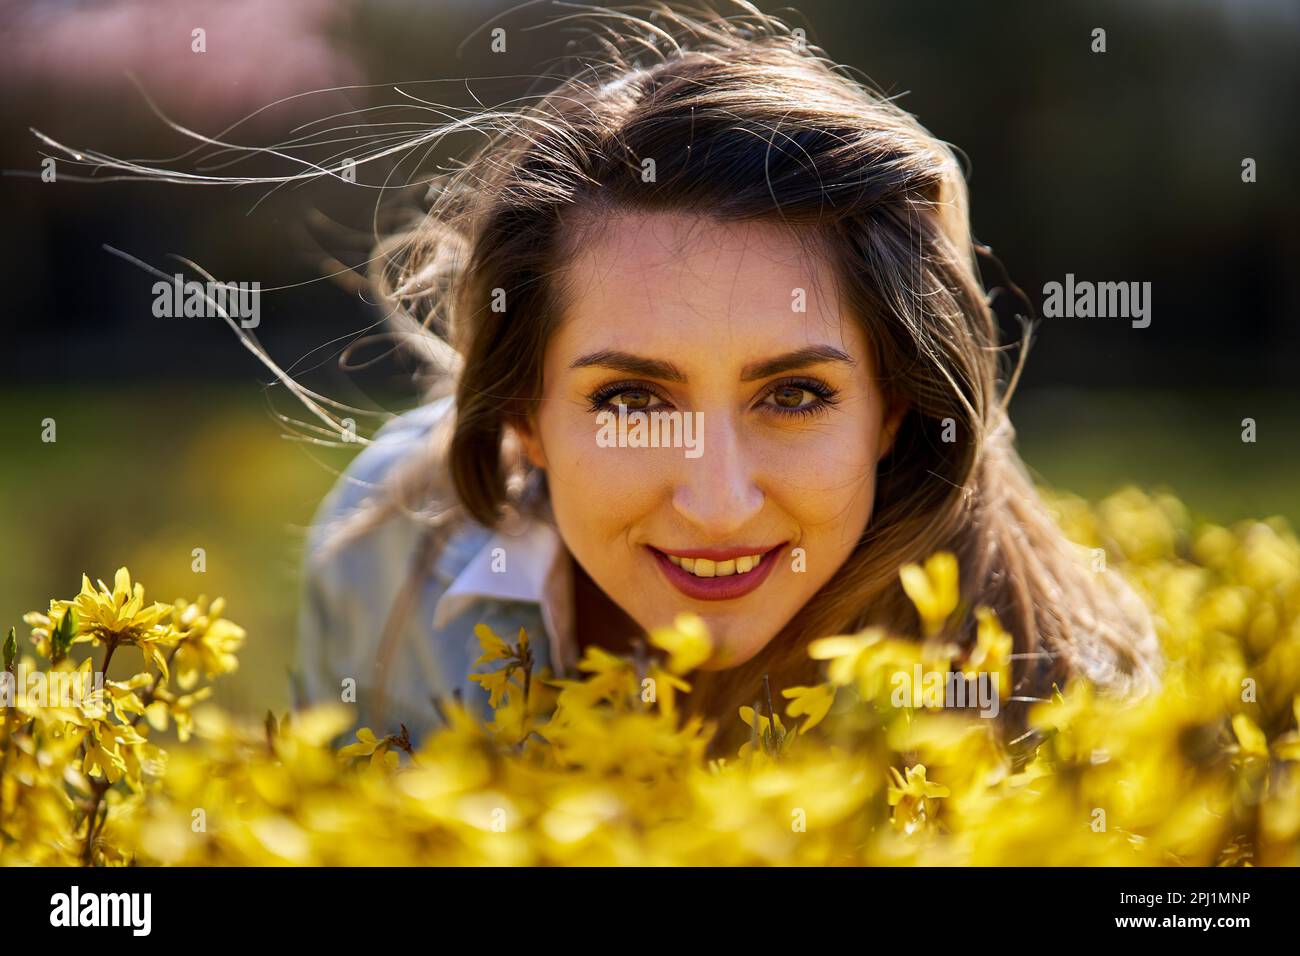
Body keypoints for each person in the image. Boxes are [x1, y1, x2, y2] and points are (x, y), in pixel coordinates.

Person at [295, 4, 1160, 754]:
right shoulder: (387, 553)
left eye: (793, 395)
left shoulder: (1046, 714)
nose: (720, 506)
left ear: (895, 408)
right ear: (522, 413)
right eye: (632, 400)